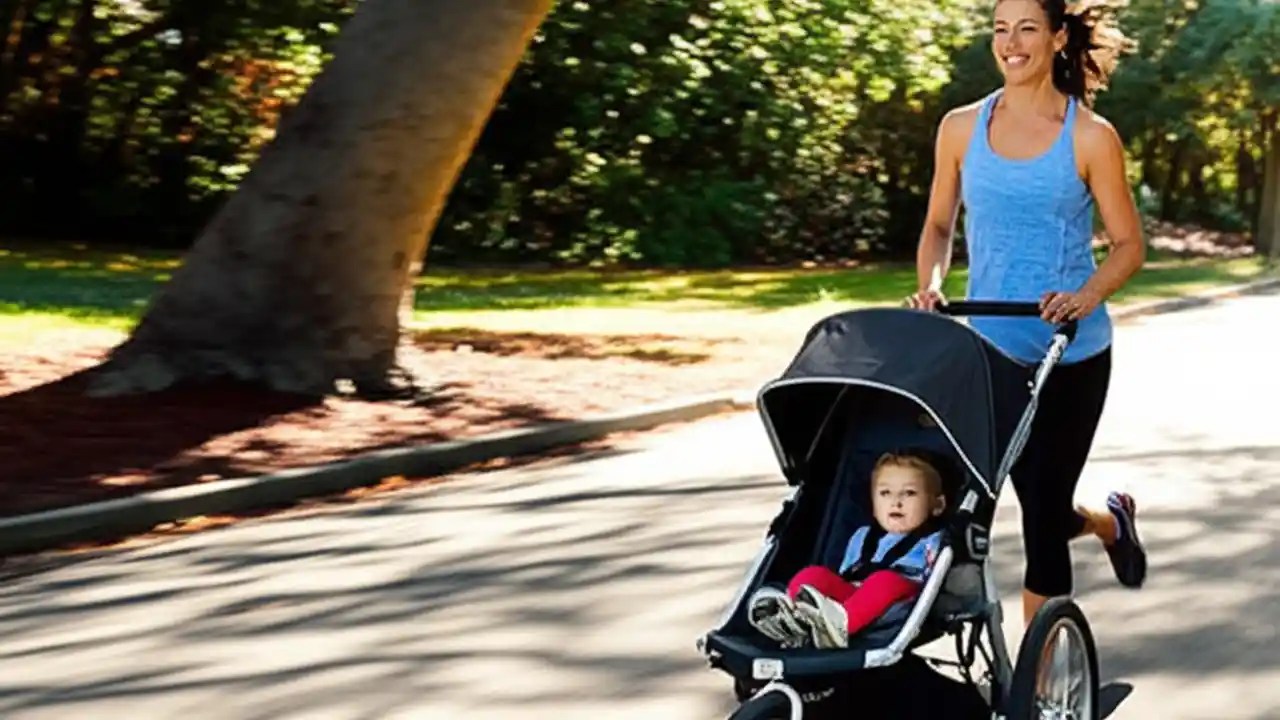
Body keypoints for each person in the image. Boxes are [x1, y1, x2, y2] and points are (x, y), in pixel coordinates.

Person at [905, 0, 1147, 626]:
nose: (1011, 43)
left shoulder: (1090, 136)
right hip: (989, 351)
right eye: (1000, 29)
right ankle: (1107, 521)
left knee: (1041, 511)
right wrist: (931, 284)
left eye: (1027, 29)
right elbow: (937, 225)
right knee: (997, 503)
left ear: (1058, 37)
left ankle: (1040, 685)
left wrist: (1084, 297)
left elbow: (1129, 245)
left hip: (1070, 352)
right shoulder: (960, 127)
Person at [748, 452, 948, 649]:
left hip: (902, 595)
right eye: (885, 493)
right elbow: (846, 575)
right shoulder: (861, 536)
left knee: (883, 580)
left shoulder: (934, 539)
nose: (896, 501)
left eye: (910, 493)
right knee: (813, 574)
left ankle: (839, 627)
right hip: (855, 594)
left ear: (937, 505)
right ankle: (794, 618)